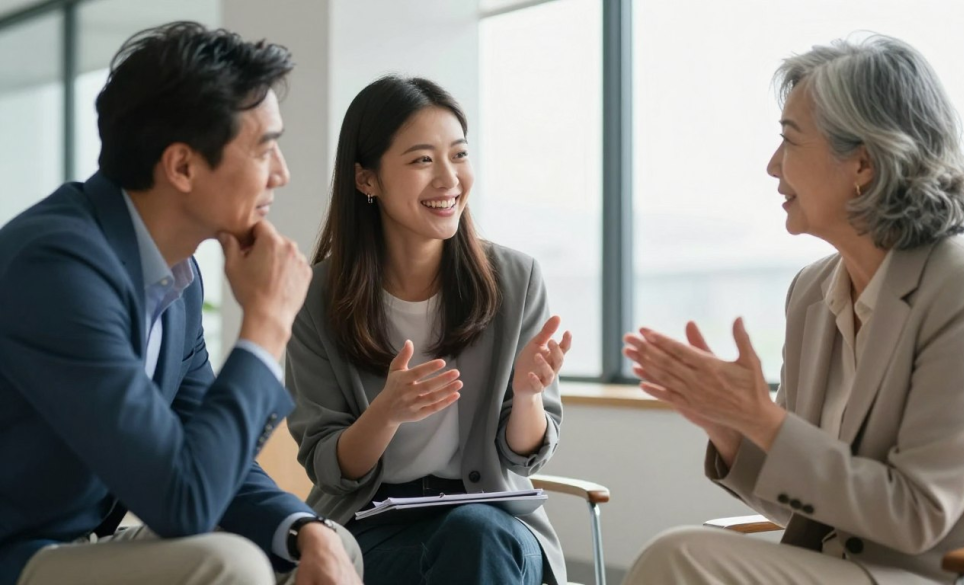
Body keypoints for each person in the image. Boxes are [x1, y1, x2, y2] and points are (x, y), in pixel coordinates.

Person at [622, 35, 964, 584]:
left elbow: (915, 516)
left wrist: (765, 420)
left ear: (862, 162)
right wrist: (735, 431)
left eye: (789, 140)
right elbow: (810, 507)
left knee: (681, 557)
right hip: (845, 568)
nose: (771, 166)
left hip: (947, 572)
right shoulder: (812, 293)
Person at [0, 21, 362, 585]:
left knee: (327, 546)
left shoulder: (178, 277)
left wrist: (301, 528)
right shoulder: (56, 267)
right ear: (183, 166)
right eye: (265, 148)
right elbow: (184, 498)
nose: (282, 174)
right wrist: (266, 322)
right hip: (18, 551)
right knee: (230, 565)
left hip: (82, 543)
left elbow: (211, 460)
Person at [285, 75, 571, 585]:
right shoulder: (316, 296)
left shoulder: (516, 279)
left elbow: (525, 455)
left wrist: (528, 396)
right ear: (366, 179)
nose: (449, 179)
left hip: (494, 523)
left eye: (459, 155)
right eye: (422, 160)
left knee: (474, 536)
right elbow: (328, 464)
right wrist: (386, 413)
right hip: (372, 527)